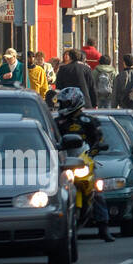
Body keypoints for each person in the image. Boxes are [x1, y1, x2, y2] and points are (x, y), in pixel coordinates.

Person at [53, 87, 115, 241]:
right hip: (64, 162)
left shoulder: (88, 121)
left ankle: (104, 228)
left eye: (65, 103)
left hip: (84, 161)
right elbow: (52, 141)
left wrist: (95, 150)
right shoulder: (57, 123)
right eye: (61, 103)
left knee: (98, 191)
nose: (62, 106)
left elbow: (99, 139)